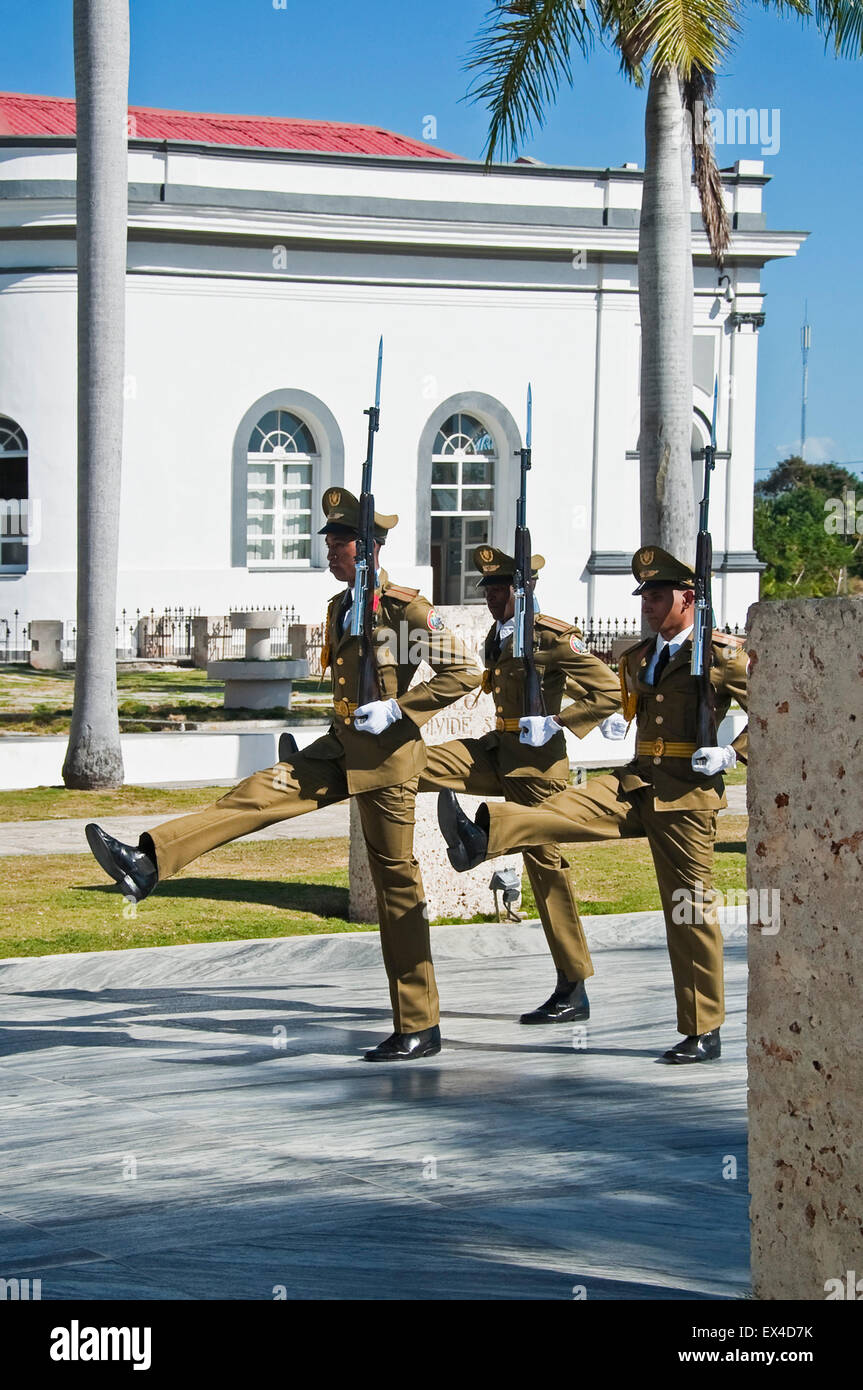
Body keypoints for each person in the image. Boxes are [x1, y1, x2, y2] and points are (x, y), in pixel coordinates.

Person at [86, 487, 482, 1062]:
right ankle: (149, 862)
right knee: (259, 792)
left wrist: (401, 709)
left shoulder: (402, 611)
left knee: (397, 888)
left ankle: (419, 1024)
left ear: (368, 547)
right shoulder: (343, 606)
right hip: (341, 747)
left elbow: (463, 670)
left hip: (389, 764)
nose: (329, 550)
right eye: (329, 541)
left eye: (340, 541)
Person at [438, 545, 748, 1064]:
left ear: (689, 598)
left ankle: (702, 1029)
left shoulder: (721, 656)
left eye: (657, 594)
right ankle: (481, 837)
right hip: (637, 782)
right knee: (566, 809)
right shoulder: (642, 658)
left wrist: (732, 753)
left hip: (687, 800)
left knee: (689, 910)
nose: (647, 603)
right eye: (644, 594)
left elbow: (781, 710)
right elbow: (617, 704)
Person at [417, 544, 620, 1024]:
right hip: (499, 750)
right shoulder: (500, 634)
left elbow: (608, 689)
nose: (491, 596)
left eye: (500, 588)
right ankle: (343, 766)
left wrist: (558, 722)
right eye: (486, 588)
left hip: (537, 768)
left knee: (547, 871)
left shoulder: (549, 635)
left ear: (524, 589)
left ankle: (573, 988)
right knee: (417, 761)